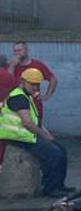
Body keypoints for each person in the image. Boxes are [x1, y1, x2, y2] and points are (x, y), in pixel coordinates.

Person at [0, 68, 70, 197]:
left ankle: (59, 185)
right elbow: (27, 123)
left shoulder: (25, 95)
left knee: (62, 150)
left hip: (25, 135)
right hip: (18, 137)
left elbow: (35, 121)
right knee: (53, 154)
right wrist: (46, 136)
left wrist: (47, 134)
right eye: (32, 84)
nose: (36, 87)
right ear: (22, 82)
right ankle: (50, 189)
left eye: (38, 84)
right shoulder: (19, 97)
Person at [10, 41, 55, 121]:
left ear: (26, 50)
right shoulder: (11, 65)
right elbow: (8, 83)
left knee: (35, 129)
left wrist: (46, 96)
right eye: (15, 51)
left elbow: (53, 80)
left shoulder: (37, 65)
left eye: (19, 50)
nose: (17, 53)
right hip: (17, 107)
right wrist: (12, 66)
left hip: (35, 106)